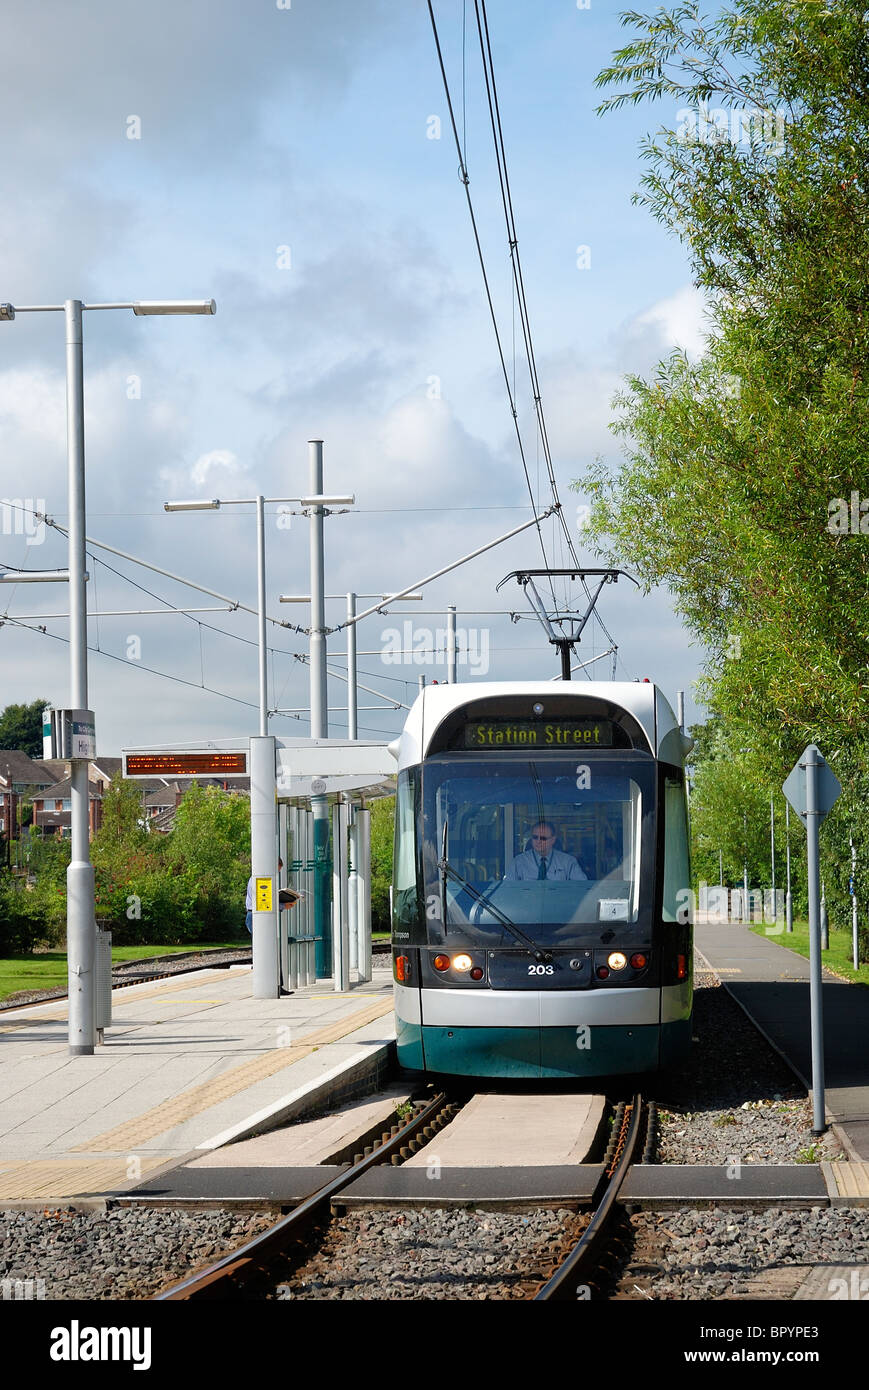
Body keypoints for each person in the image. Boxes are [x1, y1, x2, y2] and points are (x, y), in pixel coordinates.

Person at [505, 820, 587, 881]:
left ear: (553, 840)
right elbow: (508, 890)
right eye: (535, 837)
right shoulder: (518, 862)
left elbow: (581, 888)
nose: (538, 841)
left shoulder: (568, 861)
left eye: (543, 838)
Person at [245, 857, 299, 933]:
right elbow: (264, 903)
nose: (276, 874)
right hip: (255, 916)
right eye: (276, 871)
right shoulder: (261, 879)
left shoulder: (260, 878)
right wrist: (284, 905)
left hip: (255, 915)